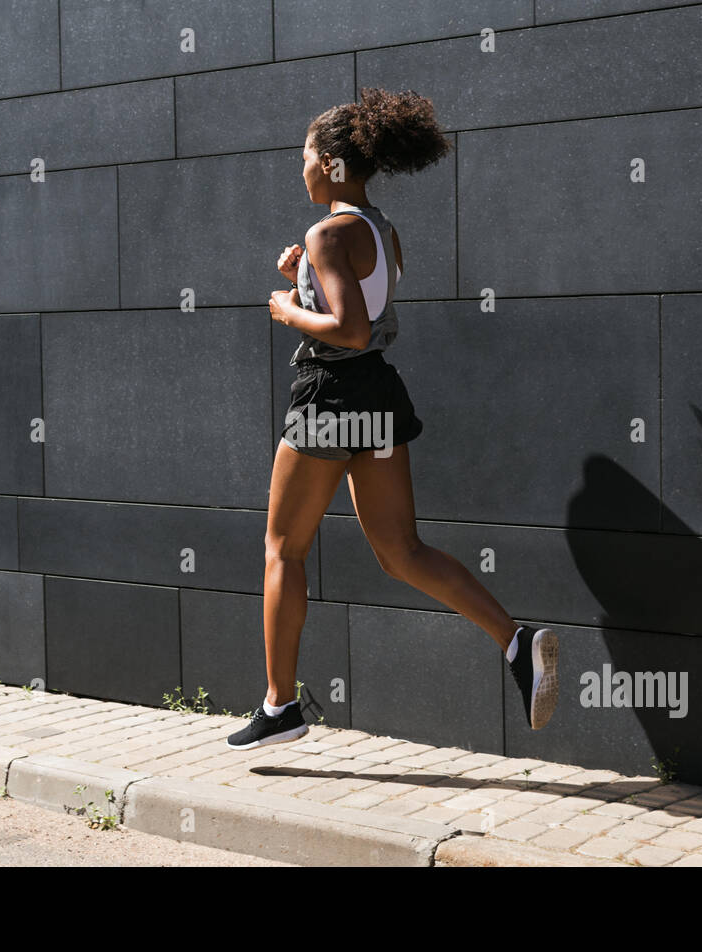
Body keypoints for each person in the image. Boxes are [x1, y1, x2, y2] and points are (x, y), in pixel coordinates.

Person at [227, 88, 559, 749]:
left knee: (283, 549)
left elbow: (349, 330)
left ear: (327, 160)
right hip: (378, 400)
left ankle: (279, 705)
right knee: (401, 551)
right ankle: (516, 641)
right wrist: (304, 279)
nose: (301, 170)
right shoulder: (382, 231)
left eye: (303, 158)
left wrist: (289, 310)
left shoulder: (327, 232)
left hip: (330, 397)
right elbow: (371, 315)